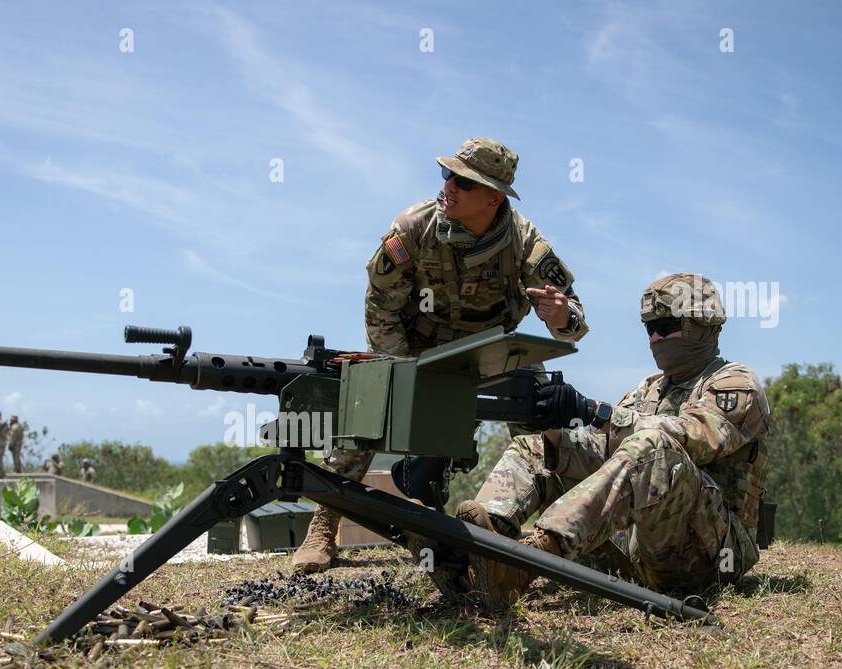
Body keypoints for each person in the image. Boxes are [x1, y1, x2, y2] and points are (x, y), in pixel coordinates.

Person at [292, 137, 589, 574]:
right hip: (417, 346)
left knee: (544, 415)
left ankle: (553, 534)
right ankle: (323, 527)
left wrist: (561, 316)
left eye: (462, 182)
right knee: (366, 406)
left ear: (494, 197)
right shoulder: (415, 226)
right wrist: (397, 370)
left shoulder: (525, 242)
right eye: (446, 174)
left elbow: (575, 319)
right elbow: (381, 304)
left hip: (492, 352)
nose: (448, 185)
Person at [453, 273, 769, 607]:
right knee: (540, 447)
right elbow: (606, 452)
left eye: (667, 326)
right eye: (650, 328)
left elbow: (691, 437)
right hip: (637, 550)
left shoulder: (736, 384)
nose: (656, 338)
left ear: (705, 326)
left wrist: (592, 410)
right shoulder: (650, 388)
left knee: (650, 448)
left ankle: (524, 565)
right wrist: (554, 429)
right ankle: (479, 552)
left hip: (709, 555)